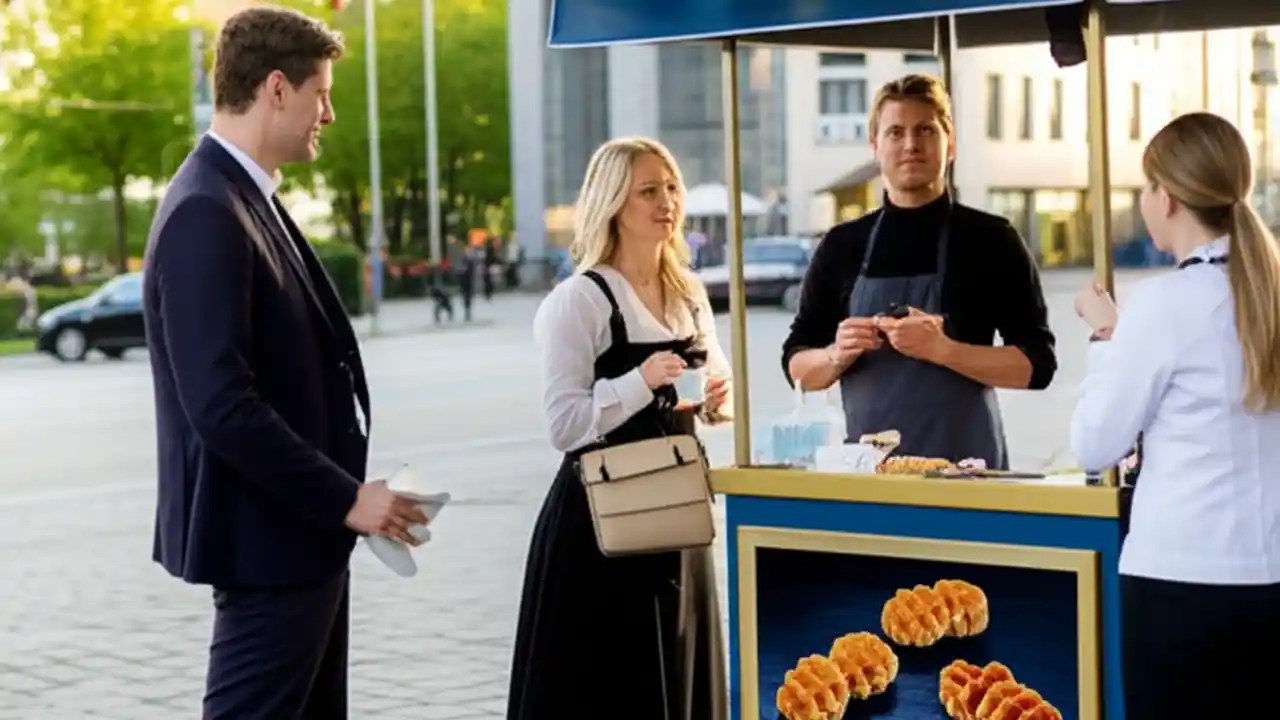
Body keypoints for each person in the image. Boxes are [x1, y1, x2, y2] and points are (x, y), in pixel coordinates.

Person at [141, 8, 427, 718]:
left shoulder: (243, 195)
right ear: (276, 88)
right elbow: (222, 405)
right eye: (321, 93)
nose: (327, 112)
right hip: (269, 544)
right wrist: (344, 496)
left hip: (301, 538)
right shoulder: (207, 209)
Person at [507, 137, 732, 720]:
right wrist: (640, 380)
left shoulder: (691, 293)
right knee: (607, 688)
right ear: (612, 203)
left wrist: (715, 399)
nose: (667, 202)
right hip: (601, 528)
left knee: (677, 678)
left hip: (679, 516)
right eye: (649, 191)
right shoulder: (576, 301)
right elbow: (564, 426)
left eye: (672, 187)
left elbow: (719, 399)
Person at [1069, 112, 1280, 719]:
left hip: (1180, 584)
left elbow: (1094, 443)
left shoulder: (1163, 304)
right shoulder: (1265, 293)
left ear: (1166, 197)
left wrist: (1107, 343)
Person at [781, 74, 1056, 468]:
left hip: (969, 476)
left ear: (951, 144)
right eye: (896, 132)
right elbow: (796, 366)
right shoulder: (841, 245)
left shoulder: (991, 240)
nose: (910, 144)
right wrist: (835, 355)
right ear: (875, 146)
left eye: (925, 130)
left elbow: (1037, 366)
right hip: (869, 477)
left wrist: (944, 350)